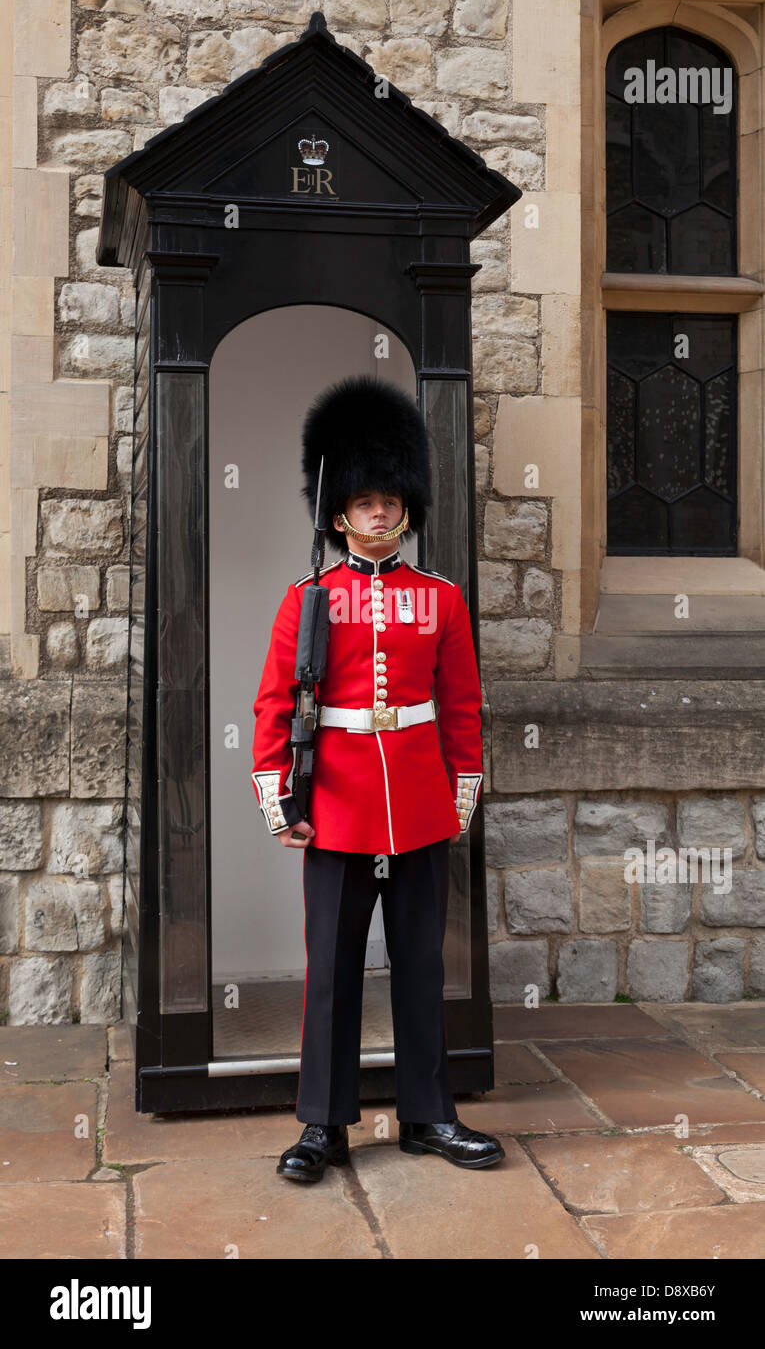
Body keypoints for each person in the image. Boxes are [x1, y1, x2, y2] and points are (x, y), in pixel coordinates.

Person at [251, 373, 505, 1181]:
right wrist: (280, 801)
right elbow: (272, 710)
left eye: (392, 499)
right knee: (330, 970)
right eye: (365, 500)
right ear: (338, 515)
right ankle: (322, 1126)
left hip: (420, 806)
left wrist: (459, 791)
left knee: (422, 966)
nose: (382, 511)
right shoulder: (307, 601)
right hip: (336, 809)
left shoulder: (441, 600)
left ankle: (428, 1114)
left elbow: (460, 708)